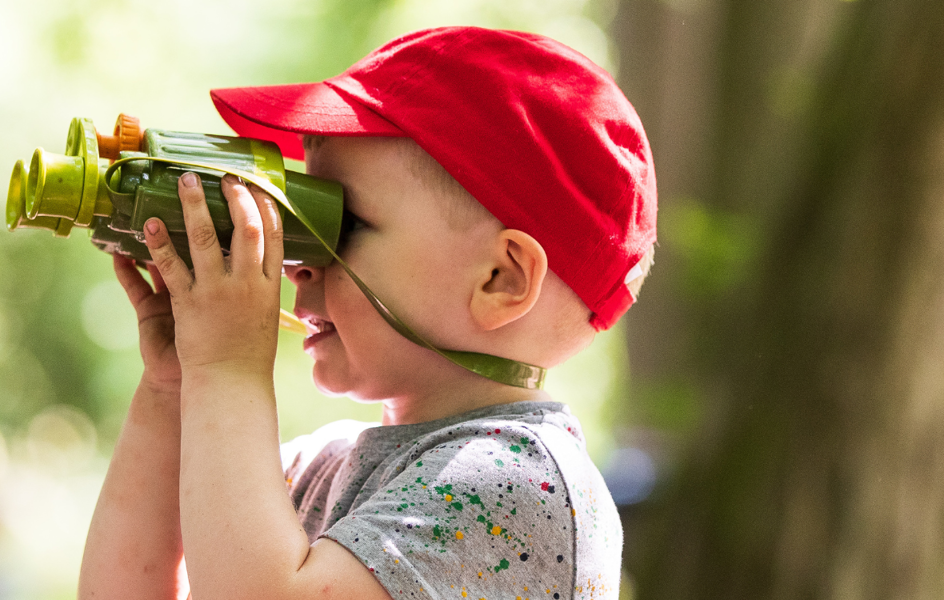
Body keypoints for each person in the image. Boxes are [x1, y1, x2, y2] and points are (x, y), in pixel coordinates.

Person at [76, 26, 656, 600]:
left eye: (340, 222)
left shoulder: (520, 486)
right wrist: (172, 389)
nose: (294, 264)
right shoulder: (320, 467)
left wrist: (226, 370)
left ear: (500, 278)